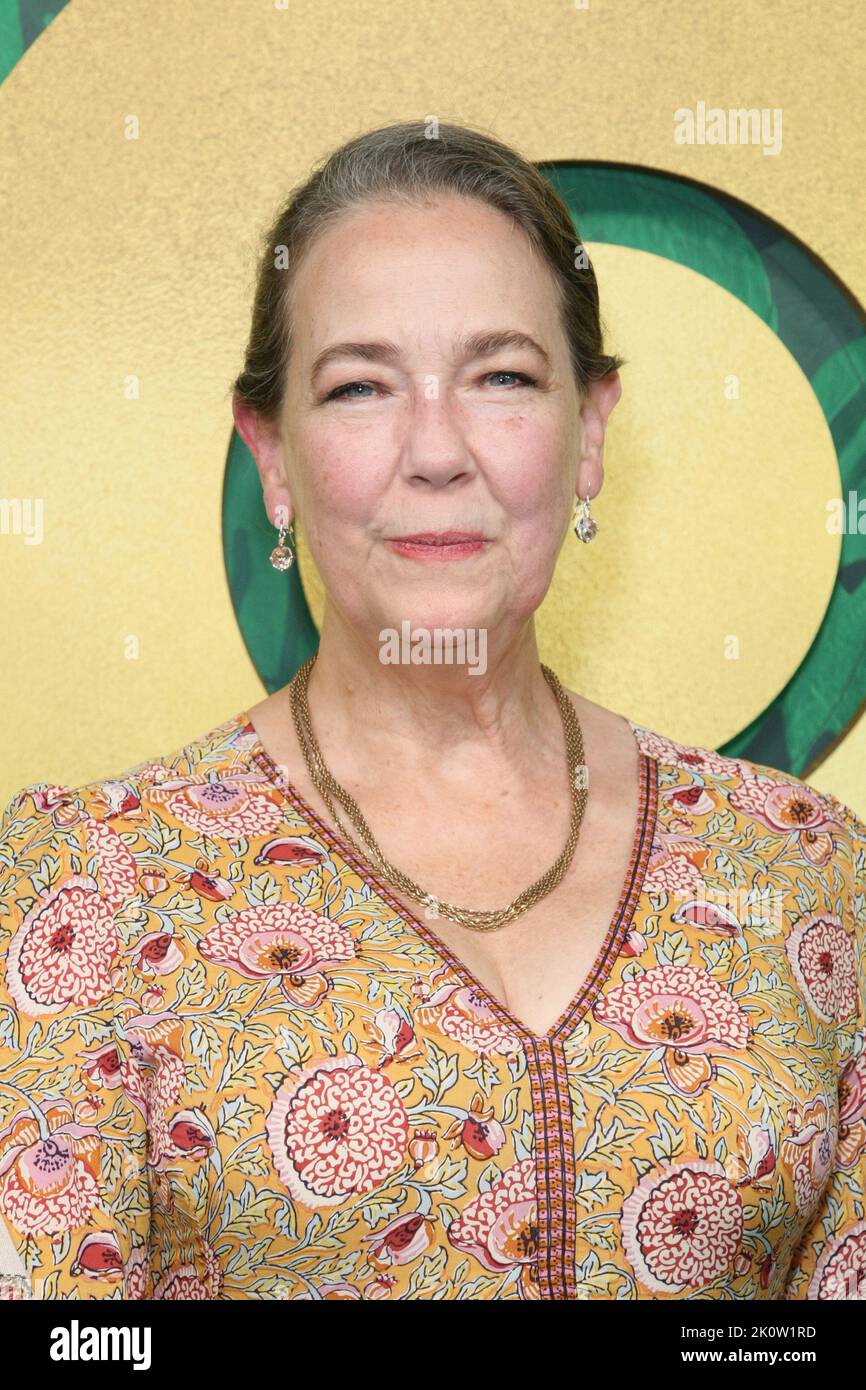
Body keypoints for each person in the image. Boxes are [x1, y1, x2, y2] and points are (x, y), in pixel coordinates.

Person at [0, 120, 863, 1303]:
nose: (437, 451)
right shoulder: (92, 883)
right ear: (270, 455)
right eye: (359, 386)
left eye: (501, 375)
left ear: (589, 430)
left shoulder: (803, 869)